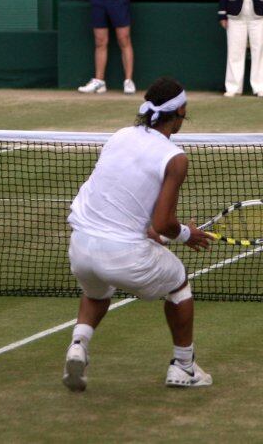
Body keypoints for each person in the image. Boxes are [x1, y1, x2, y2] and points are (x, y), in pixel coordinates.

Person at [65, 77, 213, 391]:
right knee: (179, 284)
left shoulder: (120, 136)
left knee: (96, 290)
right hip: (123, 255)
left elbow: (122, 199)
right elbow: (164, 223)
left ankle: (78, 343)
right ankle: (184, 367)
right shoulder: (175, 158)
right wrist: (188, 234)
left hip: (80, 247)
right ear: (179, 113)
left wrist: (148, 231)